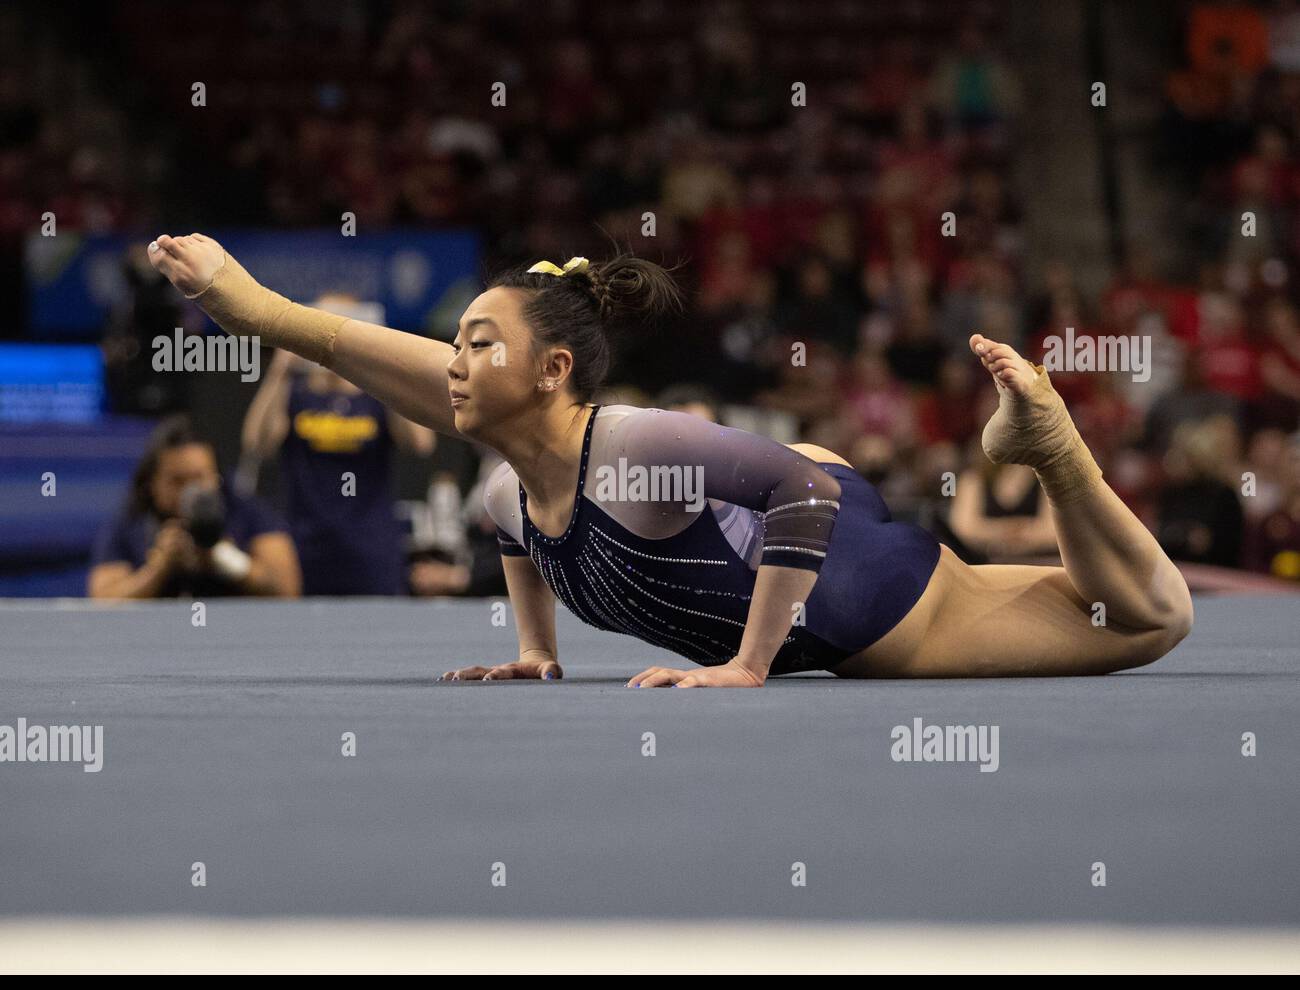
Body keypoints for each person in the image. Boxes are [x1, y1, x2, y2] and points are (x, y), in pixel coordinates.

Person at [146, 233, 1192, 683]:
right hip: (771, 531)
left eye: (479, 343)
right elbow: (515, 528)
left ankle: (1050, 448)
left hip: (872, 607)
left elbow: (801, 487)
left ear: (554, 367)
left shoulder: (631, 447)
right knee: (1106, 595)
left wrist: (746, 663)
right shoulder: (513, 485)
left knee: (1150, 619)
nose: (454, 364)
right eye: (453, 341)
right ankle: (1046, 463)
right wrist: (535, 647)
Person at [240, 295, 435, 595]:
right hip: (304, 543)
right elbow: (258, 444)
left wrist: (382, 367)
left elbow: (421, 443)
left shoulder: (376, 394)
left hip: (371, 545)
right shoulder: (295, 394)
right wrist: (281, 368)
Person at [88, 415, 301, 599]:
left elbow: (287, 590)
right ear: (153, 484)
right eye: (177, 481)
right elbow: (104, 601)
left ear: (217, 478)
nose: (191, 491)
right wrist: (158, 569)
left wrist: (222, 559)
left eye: (199, 478)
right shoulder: (130, 522)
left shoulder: (249, 513)